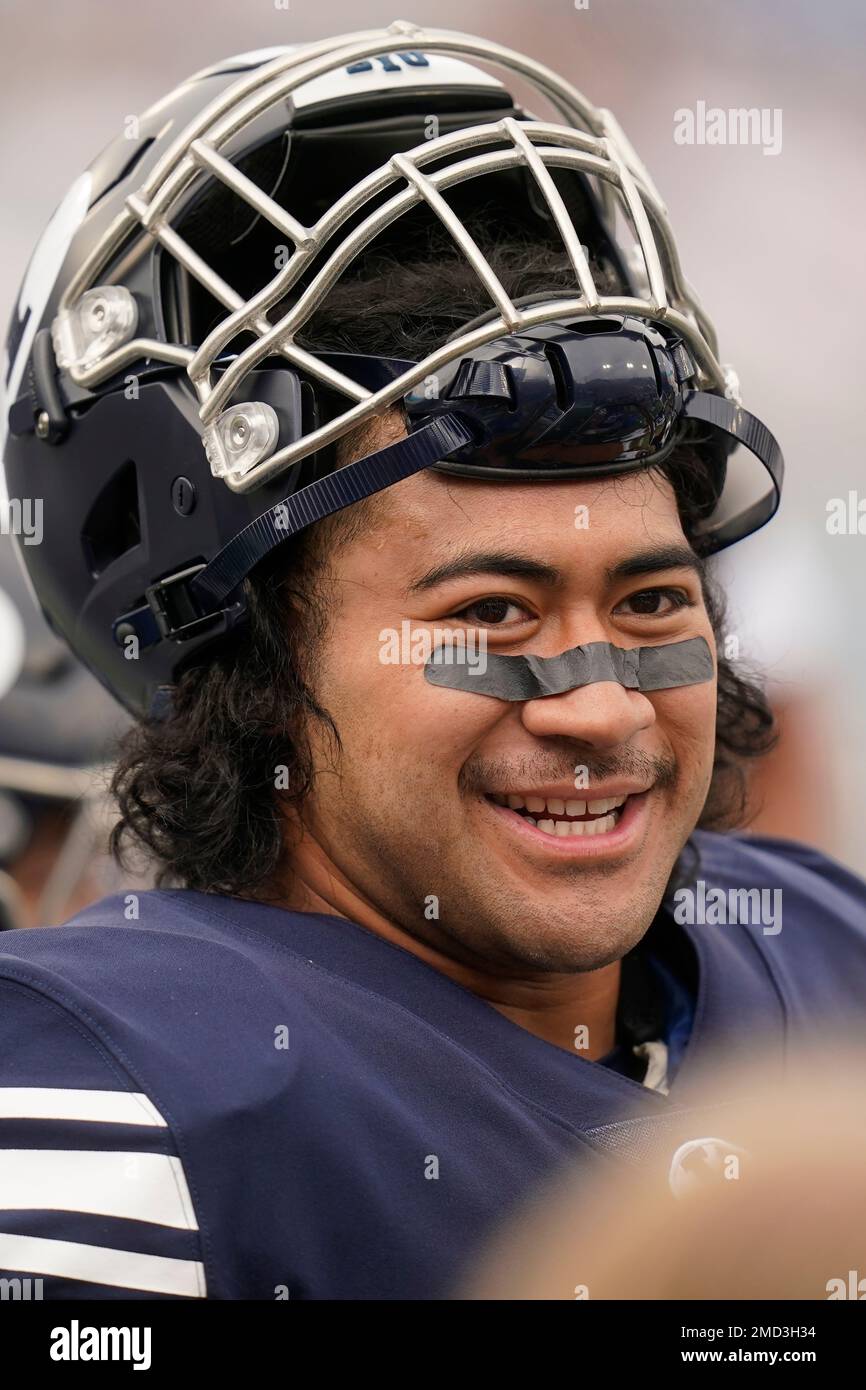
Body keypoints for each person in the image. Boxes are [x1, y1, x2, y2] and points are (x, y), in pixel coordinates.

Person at [0, 22, 862, 1301]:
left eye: (648, 598)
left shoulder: (826, 945)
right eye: (491, 615)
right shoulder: (111, 1085)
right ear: (255, 664)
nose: (601, 701)